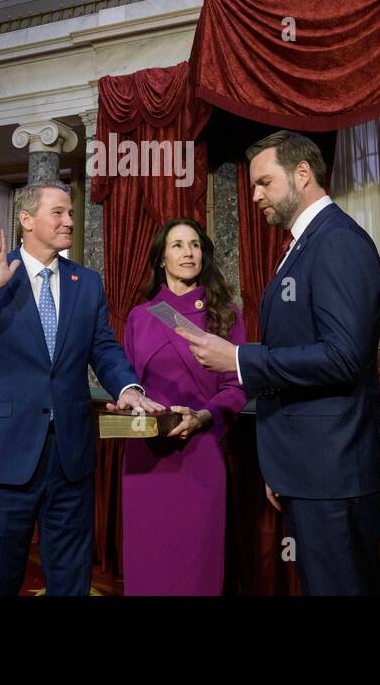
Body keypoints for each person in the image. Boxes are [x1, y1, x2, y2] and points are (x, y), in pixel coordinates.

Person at [177, 131, 380, 595]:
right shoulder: (305, 243)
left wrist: (238, 358)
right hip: (312, 469)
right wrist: (287, 469)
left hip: (334, 473)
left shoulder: (337, 241)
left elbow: (343, 358)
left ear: (302, 174)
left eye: (263, 183)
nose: (254, 195)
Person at [0, 181, 163, 595]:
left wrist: (127, 387)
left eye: (71, 213)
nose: (69, 221)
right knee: (0, 576)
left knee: (71, 577)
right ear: (26, 220)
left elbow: (103, 347)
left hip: (69, 455)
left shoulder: (87, 282)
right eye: (58, 212)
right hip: (3, 455)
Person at [120, 217, 247, 596]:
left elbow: (237, 386)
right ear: (161, 258)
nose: (188, 252)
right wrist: (125, 403)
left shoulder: (224, 313)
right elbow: (129, 380)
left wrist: (206, 416)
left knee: (196, 564)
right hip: (145, 454)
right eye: (177, 245)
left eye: (194, 244)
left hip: (200, 450)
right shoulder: (141, 316)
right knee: (149, 560)